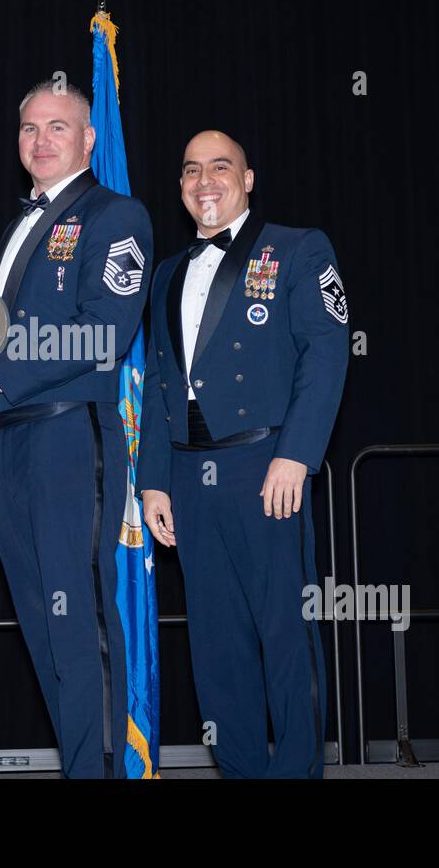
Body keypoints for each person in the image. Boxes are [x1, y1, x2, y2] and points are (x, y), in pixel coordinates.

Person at [0, 82, 153, 777]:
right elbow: (8, 330)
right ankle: (80, 766)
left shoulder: (115, 216)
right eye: (29, 128)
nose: (40, 140)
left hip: (71, 437)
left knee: (80, 622)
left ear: (89, 140)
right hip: (15, 440)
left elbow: (101, 335)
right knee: (42, 621)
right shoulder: (17, 227)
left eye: (58, 127)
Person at [137, 130, 349, 778]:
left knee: (287, 638)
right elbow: (158, 384)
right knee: (217, 647)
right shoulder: (167, 272)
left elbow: (327, 350)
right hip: (189, 478)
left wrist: (298, 455)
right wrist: (152, 480)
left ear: (247, 179)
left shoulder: (297, 248)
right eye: (192, 170)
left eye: (220, 167)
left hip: (266, 471)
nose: (206, 181)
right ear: (180, 187)